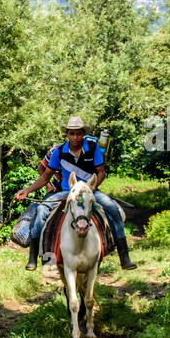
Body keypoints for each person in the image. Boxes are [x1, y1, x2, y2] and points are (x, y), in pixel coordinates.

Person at [12, 116, 137, 271]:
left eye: (78, 133)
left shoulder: (93, 148)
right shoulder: (59, 152)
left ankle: (124, 257)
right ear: (67, 134)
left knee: (113, 209)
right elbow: (45, 176)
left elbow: (101, 172)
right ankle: (34, 257)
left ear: (83, 133)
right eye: (72, 134)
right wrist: (27, 191)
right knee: (41, 210)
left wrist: (91, 190)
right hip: (66, 192)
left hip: (90, 191)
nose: (75, 137)